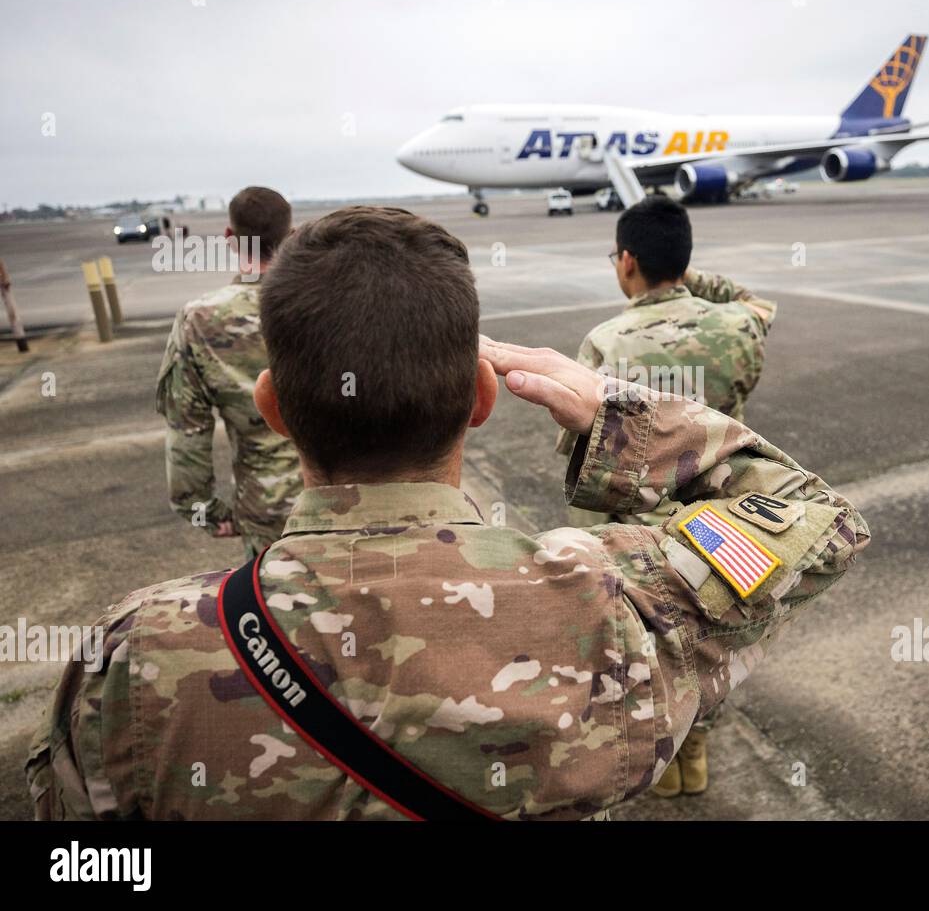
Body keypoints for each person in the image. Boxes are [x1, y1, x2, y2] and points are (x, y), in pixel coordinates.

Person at [27, 206, 869, 821]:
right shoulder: (609, 607)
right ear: (482, 398)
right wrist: (616, 412)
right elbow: (815, 517)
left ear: (273, 407)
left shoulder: (134, 660)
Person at [555, 195, 777, 797]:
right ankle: (696, 751)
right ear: (683, 259)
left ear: (626, 261)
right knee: (712, 637)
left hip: (637, 534)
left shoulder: (604, 342)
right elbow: (756, 302)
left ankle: (657, 758)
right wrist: (687, 273)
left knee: (643, 651)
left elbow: (582, 448)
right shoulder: (738, 326)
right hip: (717, 522)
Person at [155, 186, 303, 559]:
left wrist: (203, 510)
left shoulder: (200, 319)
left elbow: (187, 429)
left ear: (230, 239)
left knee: (275, 613)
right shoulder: (331, 303)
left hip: (268, 509)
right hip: (350, 500)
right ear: (290, 236)